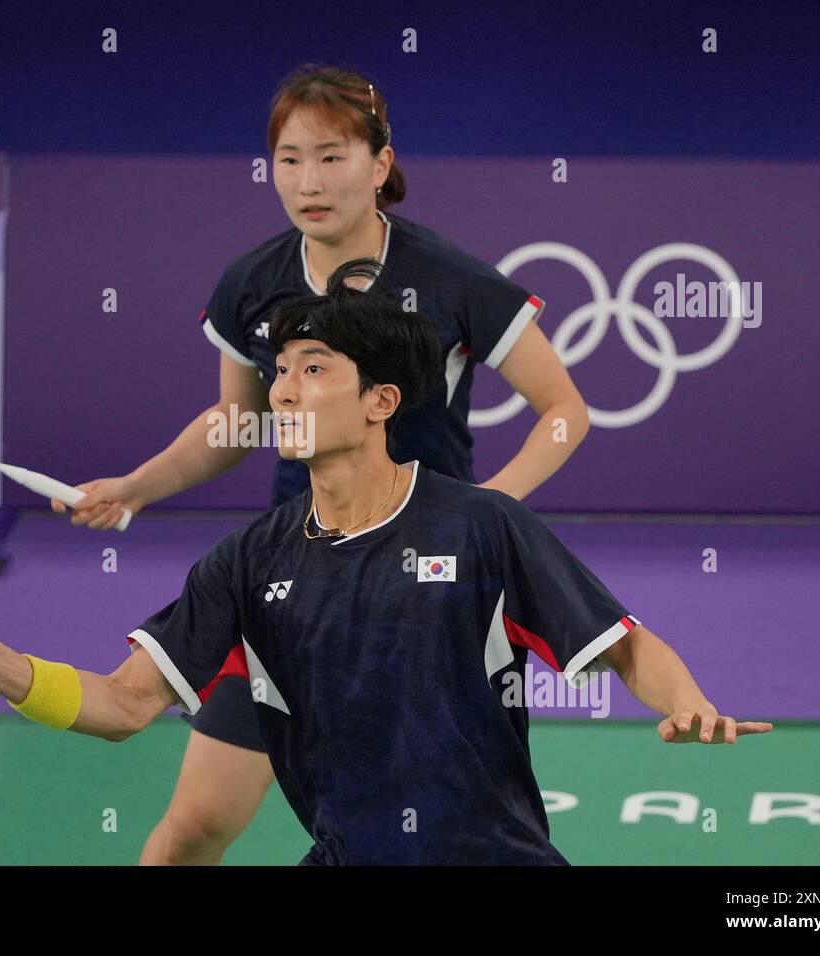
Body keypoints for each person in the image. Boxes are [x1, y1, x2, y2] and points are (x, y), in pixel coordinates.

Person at [0, 258, 773, 866]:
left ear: (380, 401)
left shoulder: (481, 526)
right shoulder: (247, 561)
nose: (283, 389)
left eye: (315, 368)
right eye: (280, 370)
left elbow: (623, 646)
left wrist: (686, 698)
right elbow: (124, 704)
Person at [49, 65, 594, 865]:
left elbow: (564, 411)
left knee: (439, 823)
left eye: (333, 157)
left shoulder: (453, 281)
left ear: (379, 165)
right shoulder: (252, 283)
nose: (310, 181)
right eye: (291, 158)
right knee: (194, 827)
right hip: (295, 580)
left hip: (429, 584)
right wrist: (137, 486)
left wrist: (491, 514)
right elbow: (237, 423)